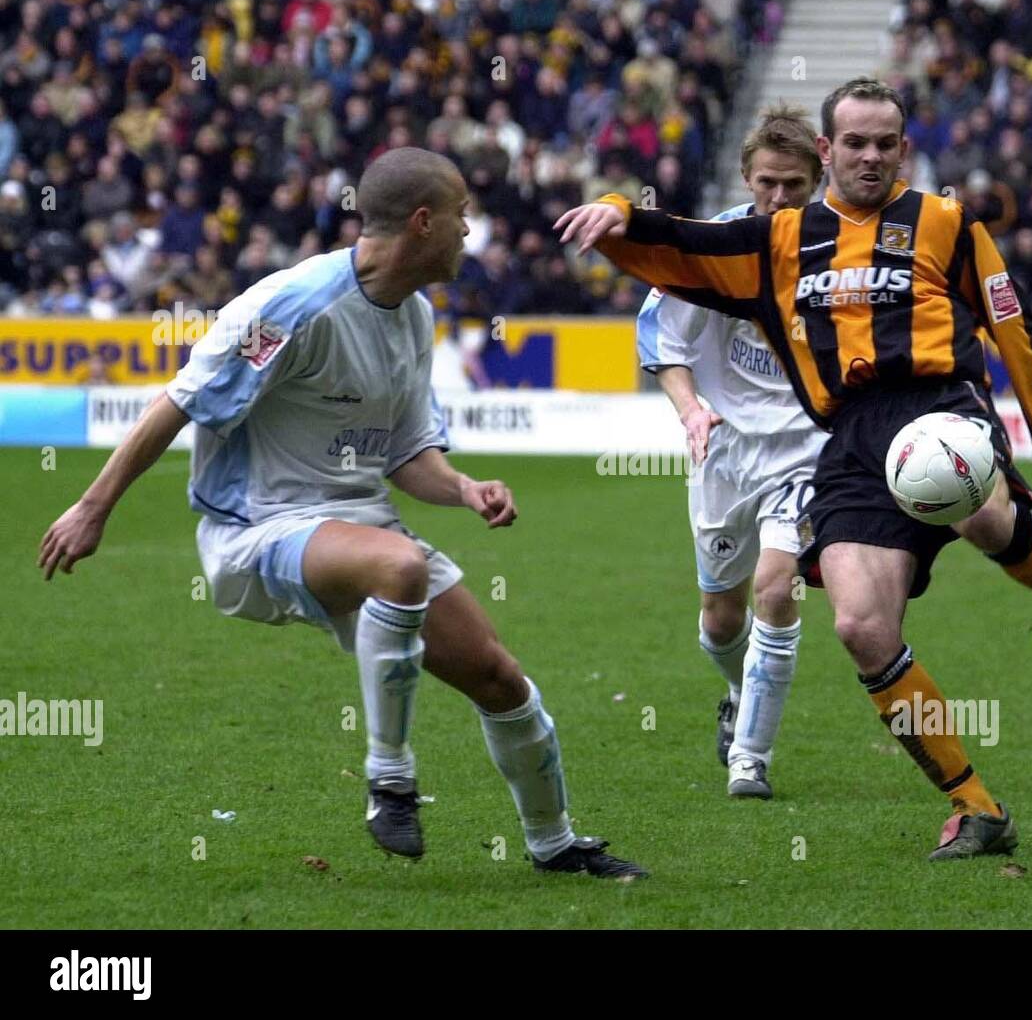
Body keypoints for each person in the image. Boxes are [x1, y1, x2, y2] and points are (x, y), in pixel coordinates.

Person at [558, 77, 1032, 860]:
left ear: (904, 149)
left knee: (985, 514)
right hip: (851, 438)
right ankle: (977, 807)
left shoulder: (948, 223)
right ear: (826, 150)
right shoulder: (779, 242)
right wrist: (620, 210)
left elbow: (1015, 332)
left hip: (942, 405)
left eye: (885, 143)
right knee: (859, 625)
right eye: (853, 142)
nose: (869, 156)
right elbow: (681, 246)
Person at [39, 147, 645, 881]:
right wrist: (92, 507)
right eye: (462, 217)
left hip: (358, 527)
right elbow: (180, 401)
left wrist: (463, 488)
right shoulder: (289, 306)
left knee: (499, 678)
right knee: (401, 566)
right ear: (423, 222)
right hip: (255, 529)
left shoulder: (414, 316)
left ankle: (555, 844)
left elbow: (406, 454)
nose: (470, 232)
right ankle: (389, 779)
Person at [636, 104, 828, 800]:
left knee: (777, 589)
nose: (779, 199)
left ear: (819, 179)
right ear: (747, 177)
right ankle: (736, 691)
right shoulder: (713, 247)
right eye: (768, 183)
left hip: (808, 449)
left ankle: (750, 755)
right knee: (722, 616)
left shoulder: (840, 252)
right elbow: (663, 340)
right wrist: (691, 410)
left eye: (795, 186)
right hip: (723, 449)